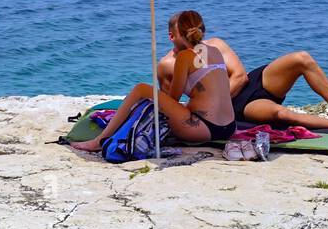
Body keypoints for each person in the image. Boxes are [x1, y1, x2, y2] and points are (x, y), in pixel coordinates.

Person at [156, 20, 328, 130]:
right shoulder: (167, 66)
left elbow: (240, 77)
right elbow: (170, 103)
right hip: (240, 108)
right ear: (172, 36)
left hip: (252, 83)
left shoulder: (215, 44)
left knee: (301, 58)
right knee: (282, 115)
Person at [71, 10, 236, 152]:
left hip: (202, 129)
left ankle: (99, 141)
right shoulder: (215, 50)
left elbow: (172, 100)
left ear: (178, 35)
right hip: (229, 127)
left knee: (141, 89)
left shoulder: (185, 56)